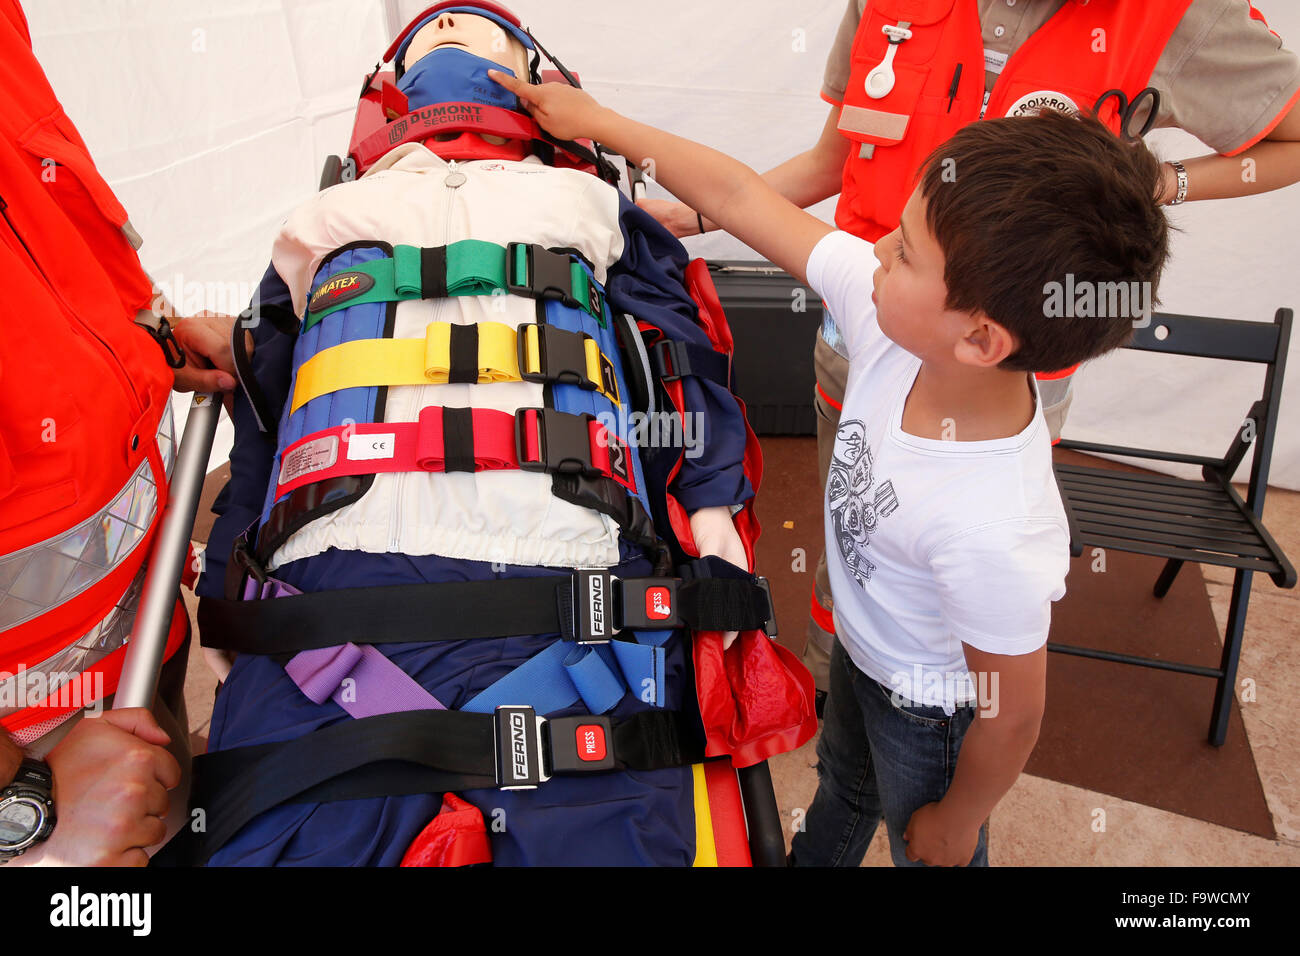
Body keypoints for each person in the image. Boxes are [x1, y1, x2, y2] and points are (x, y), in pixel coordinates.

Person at [489, 58, 1169, 866]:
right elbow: (743, 198)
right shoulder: (894, 325)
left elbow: (1012, 716)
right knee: (845, 783)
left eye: (907, 252)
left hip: (933, 713)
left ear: (981, 338)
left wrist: (957, 820)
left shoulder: (996, 526)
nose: (877, 248)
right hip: (861, 647)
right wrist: (596, 121)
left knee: (932, 846)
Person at [184, 2, 810, 867]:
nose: (449, 34)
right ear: (392, 93)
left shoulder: (594, 205)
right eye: (431, 33)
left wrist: (712, 519)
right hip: (337, 592)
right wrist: (229, 593)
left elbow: (683, 360)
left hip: (569, 587)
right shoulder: (322, 219)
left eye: (477, 31)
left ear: (534, 80)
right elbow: (266, 412)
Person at [643, 0, 1300, 711]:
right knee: (854, 532)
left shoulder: (1174, 16)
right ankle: (836, 692)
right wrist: (694, 217)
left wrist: (1165, 183)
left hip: (1000, 391)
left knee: (946, 579)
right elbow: (832, 162)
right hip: (855, 344)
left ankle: (925, 721)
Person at [0, 0, 239, 865]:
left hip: (135, 638)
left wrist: (153, 333)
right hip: (37, 753)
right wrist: (19, 804)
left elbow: (52, 219)